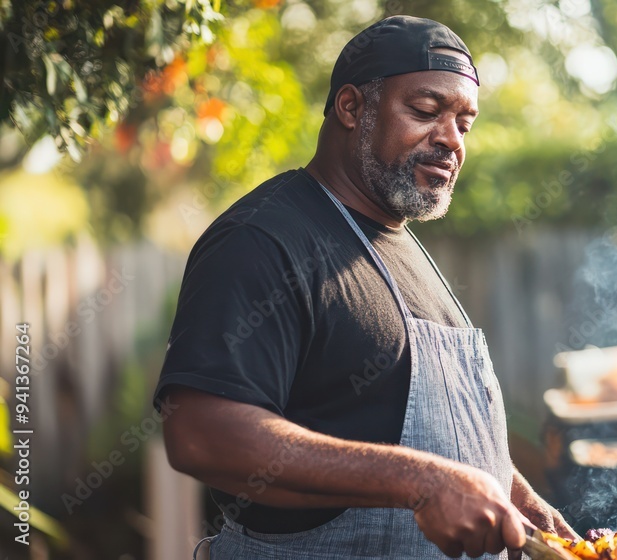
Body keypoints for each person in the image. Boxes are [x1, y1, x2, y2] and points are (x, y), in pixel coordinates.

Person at [155, 15, 578, 559]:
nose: (451, 140)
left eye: (464, 124)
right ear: (352, 108)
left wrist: (518, 499)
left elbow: (407, 421)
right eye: (425, 111)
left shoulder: (403, 244)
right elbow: (201, 434)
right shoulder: (263, 239)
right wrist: (422, 482)